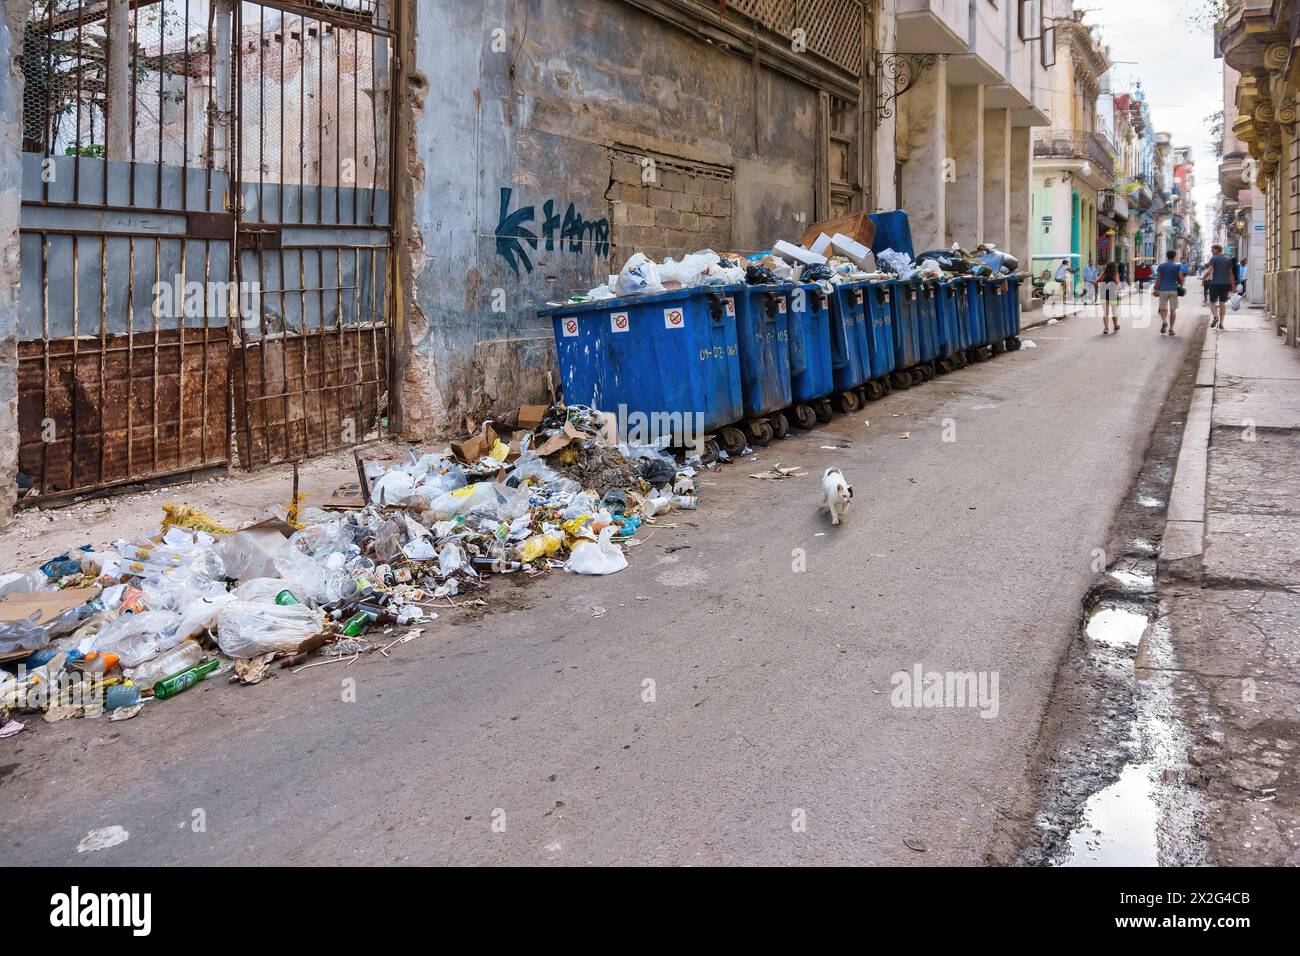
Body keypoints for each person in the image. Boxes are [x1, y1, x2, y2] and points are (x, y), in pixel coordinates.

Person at [1202, 244, 1234, 329]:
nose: (1211, 251)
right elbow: (1231, 274)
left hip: (1215, 284)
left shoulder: (1214, 259)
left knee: (1212, 302)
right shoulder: (1228, 260)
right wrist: (1233, 287)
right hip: (1225, 284)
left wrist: (1203, 278)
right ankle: (1221, 323)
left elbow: (1209, 271)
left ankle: (1216, 317)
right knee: (1222, 303)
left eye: (1212, 249)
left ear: (1217, 249)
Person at [1154, 249, 1185, 335]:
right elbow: (1181, 278)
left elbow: (1158, 279)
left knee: (1163, 309)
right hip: (1174, 290)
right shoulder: (1178, 266)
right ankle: (1171, 329)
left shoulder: (1161, 266)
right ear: (1174, 256)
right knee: (1173, 310)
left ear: (1167, 256)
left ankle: (1164, 321)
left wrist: (1156, 289)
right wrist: (1182, 284)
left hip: (1163, 290)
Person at [1099, 261, 1121, 334]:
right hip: (1113, 294)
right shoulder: (1115, 274)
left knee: (1105, 313)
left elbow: (1096, 281)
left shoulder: (1103, 274)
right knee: (1114, 312)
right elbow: (1118, 285)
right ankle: (1115, 325)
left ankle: (1106, 328)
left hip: (1103, 293)